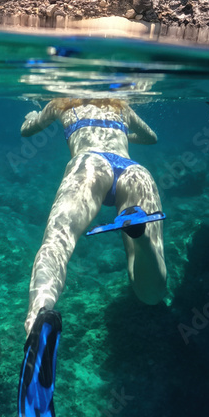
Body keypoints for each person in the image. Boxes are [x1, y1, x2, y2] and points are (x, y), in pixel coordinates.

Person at [21, 97, 167, 336]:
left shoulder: (60, 103)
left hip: (89, 165)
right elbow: (152, 137)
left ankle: (37, 318)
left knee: (58, 243)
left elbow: (28, 131)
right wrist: (122, 133)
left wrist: (30, 118)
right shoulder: (122, 106)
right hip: (134, 171)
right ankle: (138, 235)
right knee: (151, 295)